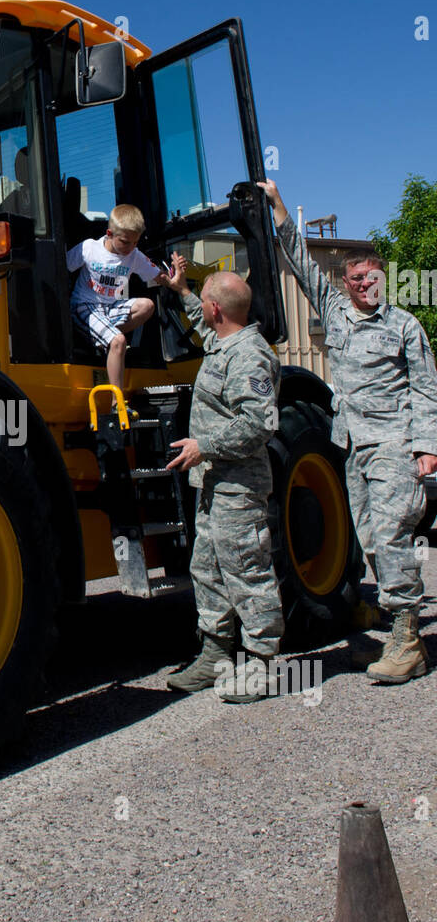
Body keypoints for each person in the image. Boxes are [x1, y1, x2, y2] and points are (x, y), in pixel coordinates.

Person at [257, 179, 437, 683]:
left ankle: (407, 639)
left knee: (392, 533)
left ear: (383, 280)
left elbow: (426, 389)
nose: (362, 284)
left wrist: (427, 448)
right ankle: (398, 633)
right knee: (368, 538)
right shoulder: (335, 314)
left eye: (370, 277)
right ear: (346, 282)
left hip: (395, 443)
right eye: (355, 277)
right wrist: (276, 205)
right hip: (352, 444)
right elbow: (299, 262)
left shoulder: (404, 327)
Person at [162, 260, 284, 698]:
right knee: (208, 569)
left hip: (239, 485)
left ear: (218, 309)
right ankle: (215, 656)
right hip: (213, 484)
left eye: (206, 303)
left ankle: (263, 663)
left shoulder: (250, 356)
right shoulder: (223, 340)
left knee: (247, 570)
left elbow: (260, 422)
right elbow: (202, 320)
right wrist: (182, 292)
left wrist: (205, 447)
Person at [66, 204, 168, 393]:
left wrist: (175, 277)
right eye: (126, 242)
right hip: (84, 306)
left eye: (136, 242)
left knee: (147, 305)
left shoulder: (134, 255)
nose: (131, 248)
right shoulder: (89, 248)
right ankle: (117, 402)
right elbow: (60, 268)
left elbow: (159, 276)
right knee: (119, 341)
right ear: (110, 233)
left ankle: (108, 341)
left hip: (111, 307)